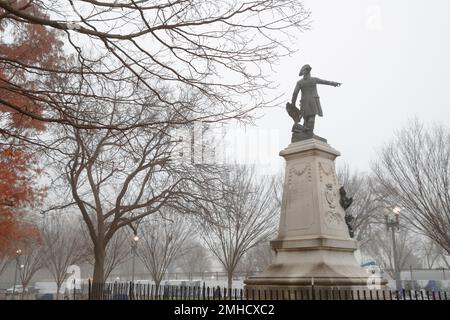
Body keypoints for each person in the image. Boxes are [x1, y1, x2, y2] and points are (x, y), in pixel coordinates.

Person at [288, 64, 341, 133]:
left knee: (306, 120)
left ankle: (302, 130)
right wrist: (334, 83)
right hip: (313, 102)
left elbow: (295, 94)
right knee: (311, 119)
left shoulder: (299, 82)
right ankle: (301, 129)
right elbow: (325, 82)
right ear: (309, 71)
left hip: (304, 103)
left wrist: (293, 104)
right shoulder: (314, 79)